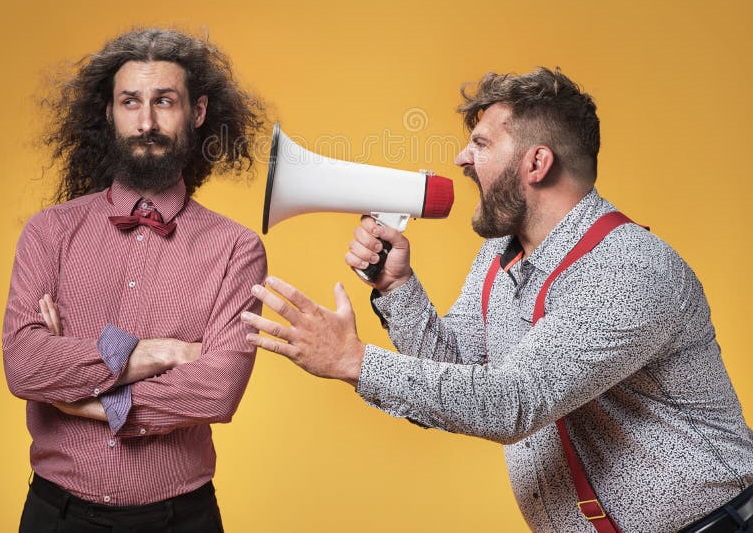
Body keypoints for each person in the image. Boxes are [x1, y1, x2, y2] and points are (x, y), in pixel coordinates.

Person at [244, 67, 753, 533]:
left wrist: (351, 360)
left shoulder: (628, 267)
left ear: (537, 162)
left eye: (481, 143)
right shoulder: (499, 256)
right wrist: (397, 289)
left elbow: (510, 402)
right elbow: (458, 373)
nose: (462, 158)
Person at [3, 28, 267, 532]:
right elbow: (24, 366)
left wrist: (79, 395)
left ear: (199, 112)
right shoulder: (49, 232)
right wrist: (155, 352)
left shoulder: (237, 249)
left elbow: (216, 391)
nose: (146, 122)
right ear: (109, 111)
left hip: (180, 519)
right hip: (54, 516)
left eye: (164, 101)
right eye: (130, 102)